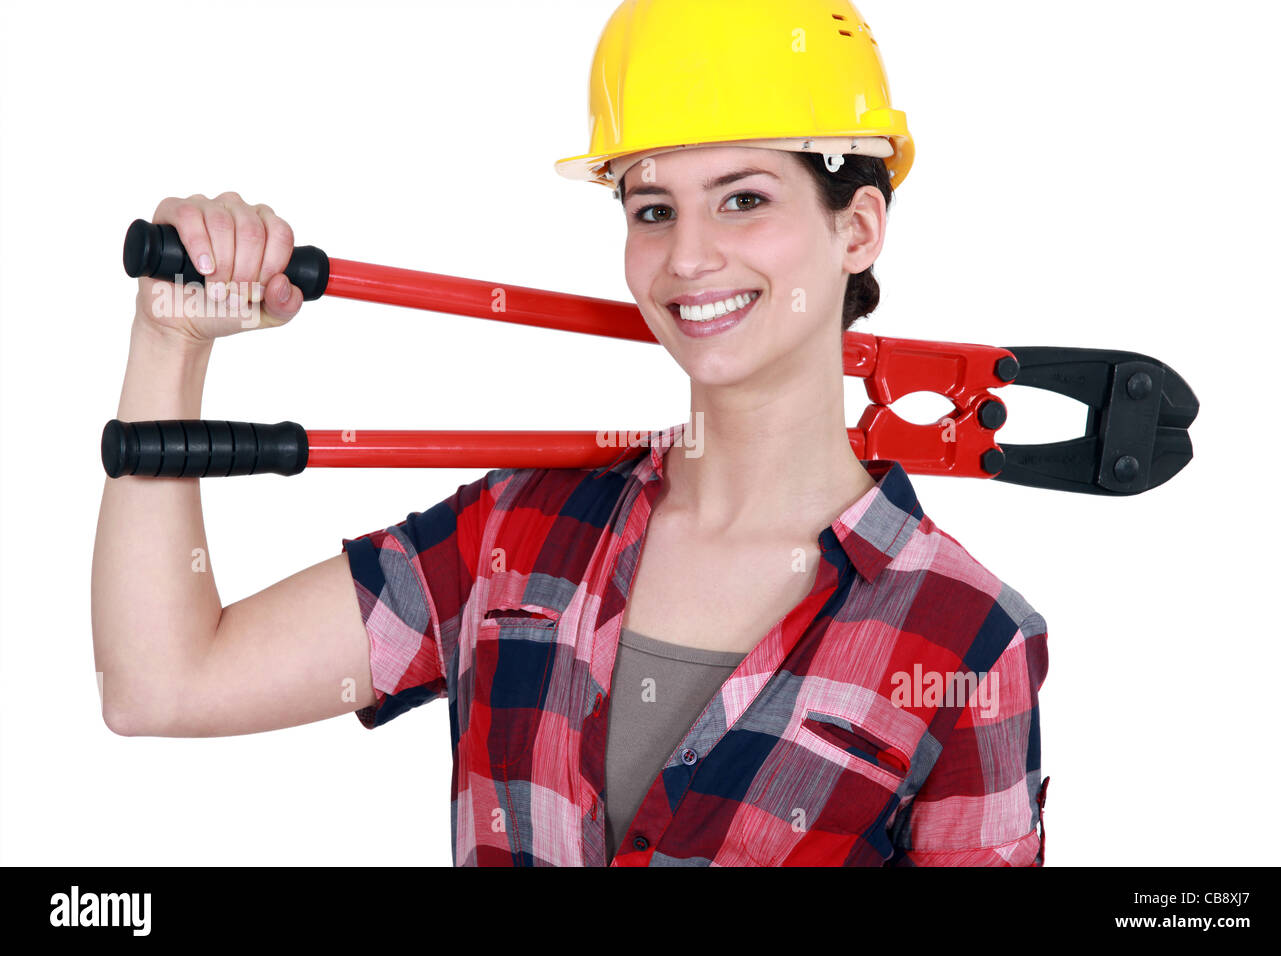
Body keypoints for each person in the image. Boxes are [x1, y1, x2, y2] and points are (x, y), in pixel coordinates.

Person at [91, 0, 1048, 866]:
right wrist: (171, 340)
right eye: (653, 210)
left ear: (859, 229)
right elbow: (160, 684)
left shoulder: (969, 639)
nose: (688, 257)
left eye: (744, 198)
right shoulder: (515, 530)